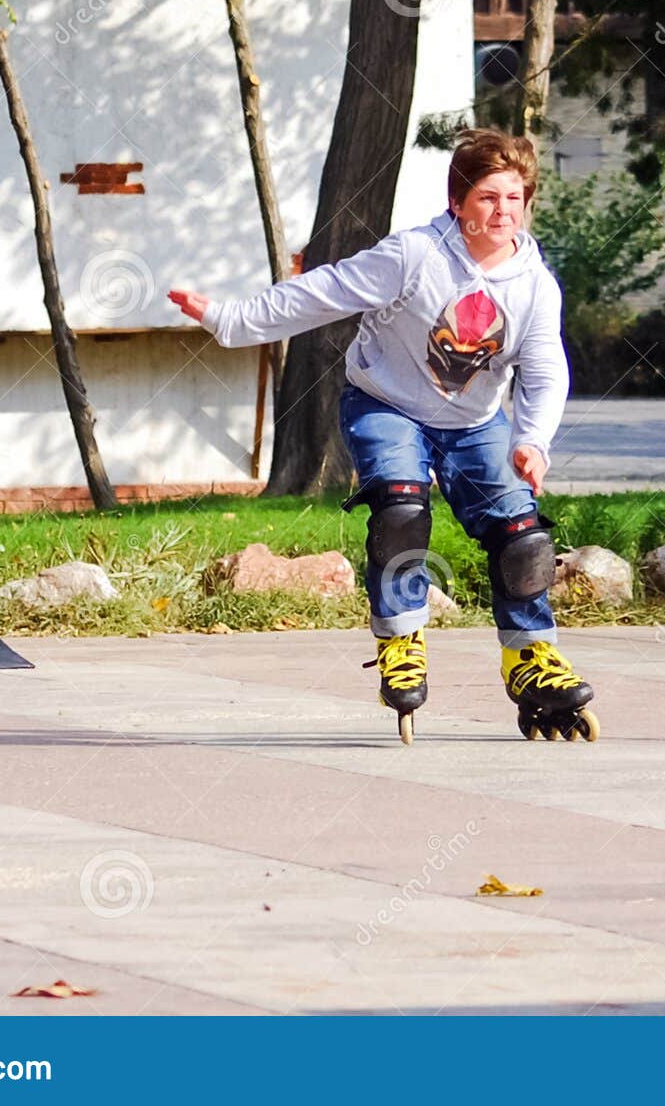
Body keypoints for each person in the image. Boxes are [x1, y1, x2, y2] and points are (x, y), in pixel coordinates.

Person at [167, 129, 595, 743]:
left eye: (515, 199)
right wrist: (231, 320)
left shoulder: (534, 284)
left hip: (475, 423)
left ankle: (531, 659)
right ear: (458, 202)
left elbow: (546, 369)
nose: (503, 212)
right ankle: (401, 640)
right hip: (386, 403)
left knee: (522, 536)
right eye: (487, 198)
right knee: (399, 504)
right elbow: (324, 292)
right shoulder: (415, 256)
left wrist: (533, 439)